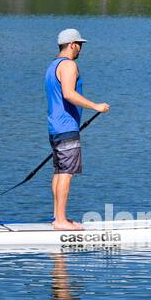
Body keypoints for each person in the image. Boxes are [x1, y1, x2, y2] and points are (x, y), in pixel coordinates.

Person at [44, 28, 110, 230]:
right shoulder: (69, 65)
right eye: (80, 45)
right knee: (66, 173)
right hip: (66, 127)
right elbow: (68, 94)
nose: (81, 49)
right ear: (72, 45)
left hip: (55, 127)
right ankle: (61, 221)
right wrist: (95, 106)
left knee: (59, 171)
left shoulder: (52, 66)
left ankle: (58, 217)